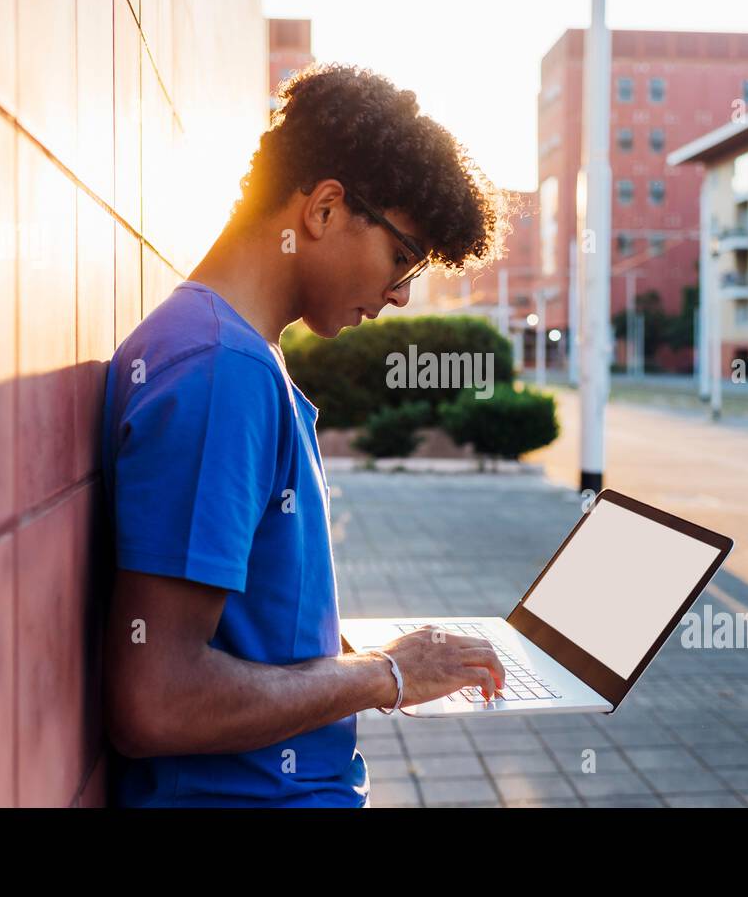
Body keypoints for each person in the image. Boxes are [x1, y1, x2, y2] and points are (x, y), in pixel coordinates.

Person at [100, 64, 510, 807]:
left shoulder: (231, 352)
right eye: (402, 258)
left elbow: (242, 630)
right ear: (323, 208)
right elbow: (156, 699)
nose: (400, 294)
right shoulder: (223, 372)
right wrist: (386, 676)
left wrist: (382, 659)